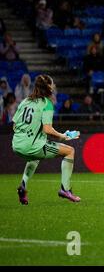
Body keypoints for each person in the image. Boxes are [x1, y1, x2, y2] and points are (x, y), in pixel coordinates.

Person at [11, 74, 81, 205]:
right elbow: (47, 130)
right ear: (48, 87)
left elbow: (14, 124)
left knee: (35, 157)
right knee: (70, 151)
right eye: (52, 83)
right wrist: (63, 135)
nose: (53, 86)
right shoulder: (46, 103)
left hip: (16, 145)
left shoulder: (25, 101)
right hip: (32, 145)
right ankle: (65, 189)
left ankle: (23, 186)